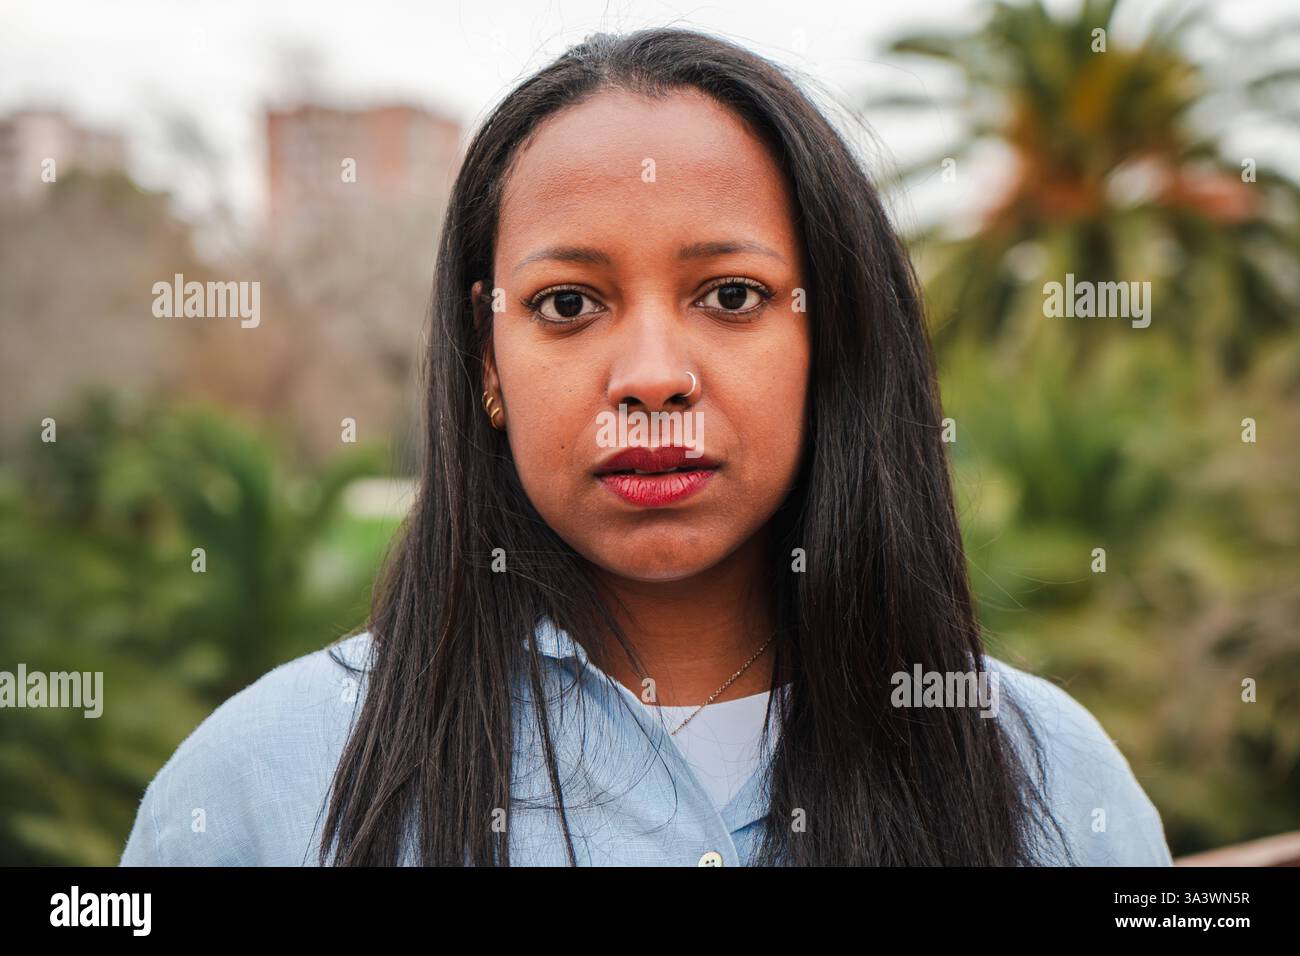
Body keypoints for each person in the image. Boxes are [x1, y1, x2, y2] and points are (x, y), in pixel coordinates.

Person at [120, 26, 1173, 867]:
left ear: (833, 333)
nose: (651, 375)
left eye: (730, 294)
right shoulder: (259, 786)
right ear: (487, 360)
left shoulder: (1047, 775)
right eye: (569, 302)